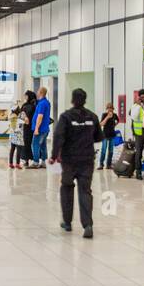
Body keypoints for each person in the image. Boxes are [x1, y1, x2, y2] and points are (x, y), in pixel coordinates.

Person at [51, 87, 102, 238]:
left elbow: (58, 137)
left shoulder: (66, 117)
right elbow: (99, 137)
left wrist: (54, 156)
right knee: (85, 191)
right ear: (85, 100)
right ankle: (88, 225)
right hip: (86, 159)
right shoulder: (92, 117)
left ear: (72, 100)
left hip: (69, 160)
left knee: (67, 188)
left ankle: (67, 222)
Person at [128, 88, 144, 180]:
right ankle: (138, 172)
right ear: (139, 97)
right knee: (139, 153)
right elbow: (134, 116)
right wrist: (139, 105)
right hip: (139, 133)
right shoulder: (135, 106)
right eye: (143, 97)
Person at [30, 87, 52, 168]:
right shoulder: (45, 102)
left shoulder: (42, 104)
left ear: (41, 92)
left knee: (35, 144)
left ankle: (35, 162)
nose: (37, 92)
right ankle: (43, 162)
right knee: (43, 145)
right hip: (45, 128)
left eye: (38, 91)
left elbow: (40, 116)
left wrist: (36, 129)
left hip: (40, 129)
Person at [98, 104, 118, 170]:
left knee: (111, 151)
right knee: (103, 150)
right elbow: (101, 124)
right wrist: (107, 117)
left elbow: (118, 120)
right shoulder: (104, 115)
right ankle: (101, 164)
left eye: (111, 108)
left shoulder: (115, 115)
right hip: (105, 135)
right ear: (107, 109)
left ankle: (108, 165)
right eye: (108, 108)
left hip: (112, 135)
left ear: (113, 109)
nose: (110, 109)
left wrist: (115, 125)